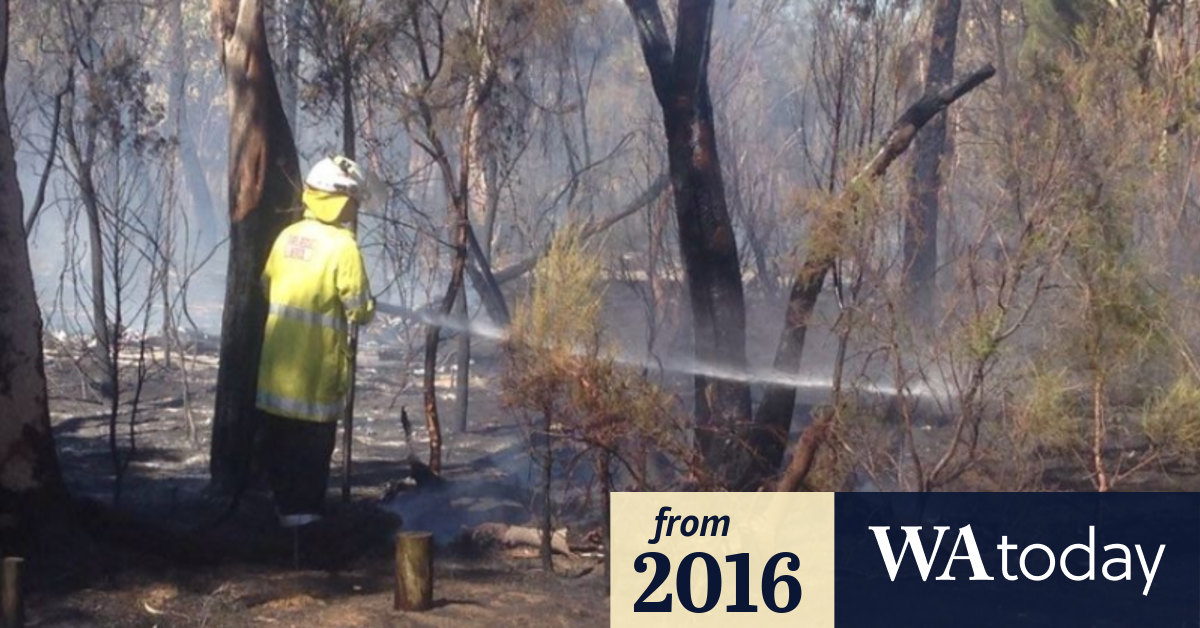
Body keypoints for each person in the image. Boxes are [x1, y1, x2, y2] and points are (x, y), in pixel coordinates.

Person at [256, 155, 376, 527]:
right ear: (340, 200)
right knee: (311, 455)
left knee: (280, 451)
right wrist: (365, 305)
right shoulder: (343, 247)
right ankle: (306, 533)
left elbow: (266, 286)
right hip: (315, 374)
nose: (355, 209)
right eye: (354, 201)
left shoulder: (287, 236)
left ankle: (282, 519)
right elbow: (360, 310)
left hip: (276, 372)